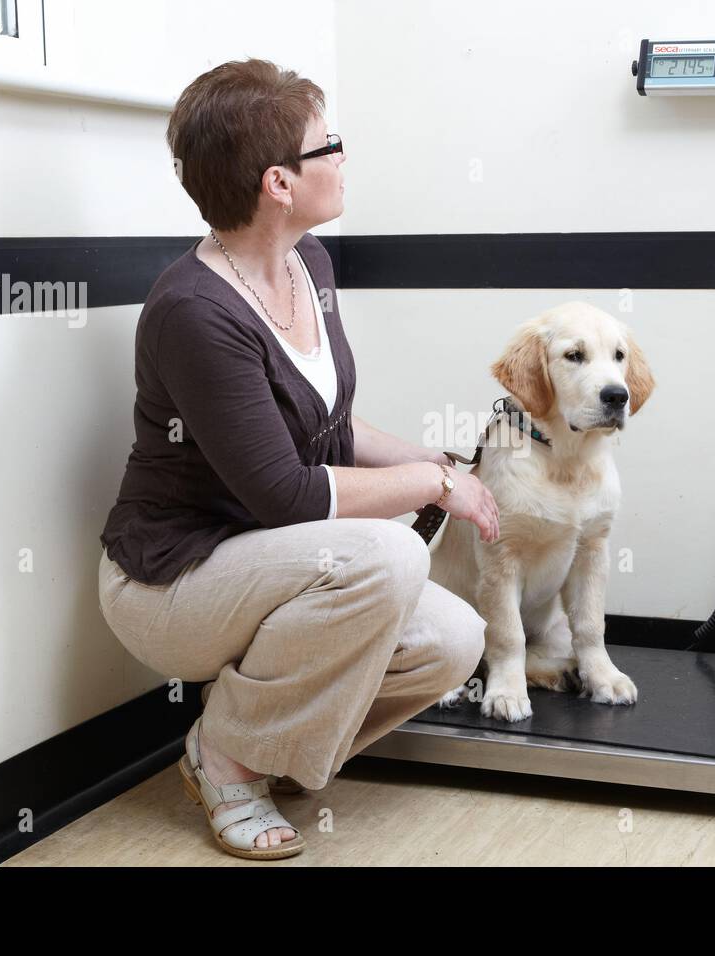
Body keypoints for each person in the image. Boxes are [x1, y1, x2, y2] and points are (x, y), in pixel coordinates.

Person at [96, 58, 498, 860]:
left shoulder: (307, 265)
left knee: (454, 641)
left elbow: (328, 429)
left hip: (276, 565)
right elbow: (287, 494)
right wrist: (430, 484)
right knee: (387, 554)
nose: (344, 158)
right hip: (174, 580)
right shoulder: (194, 311)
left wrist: (435, 458)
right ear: (279, 182)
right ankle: (228, 760)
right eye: (330, 145)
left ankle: (245, 740)